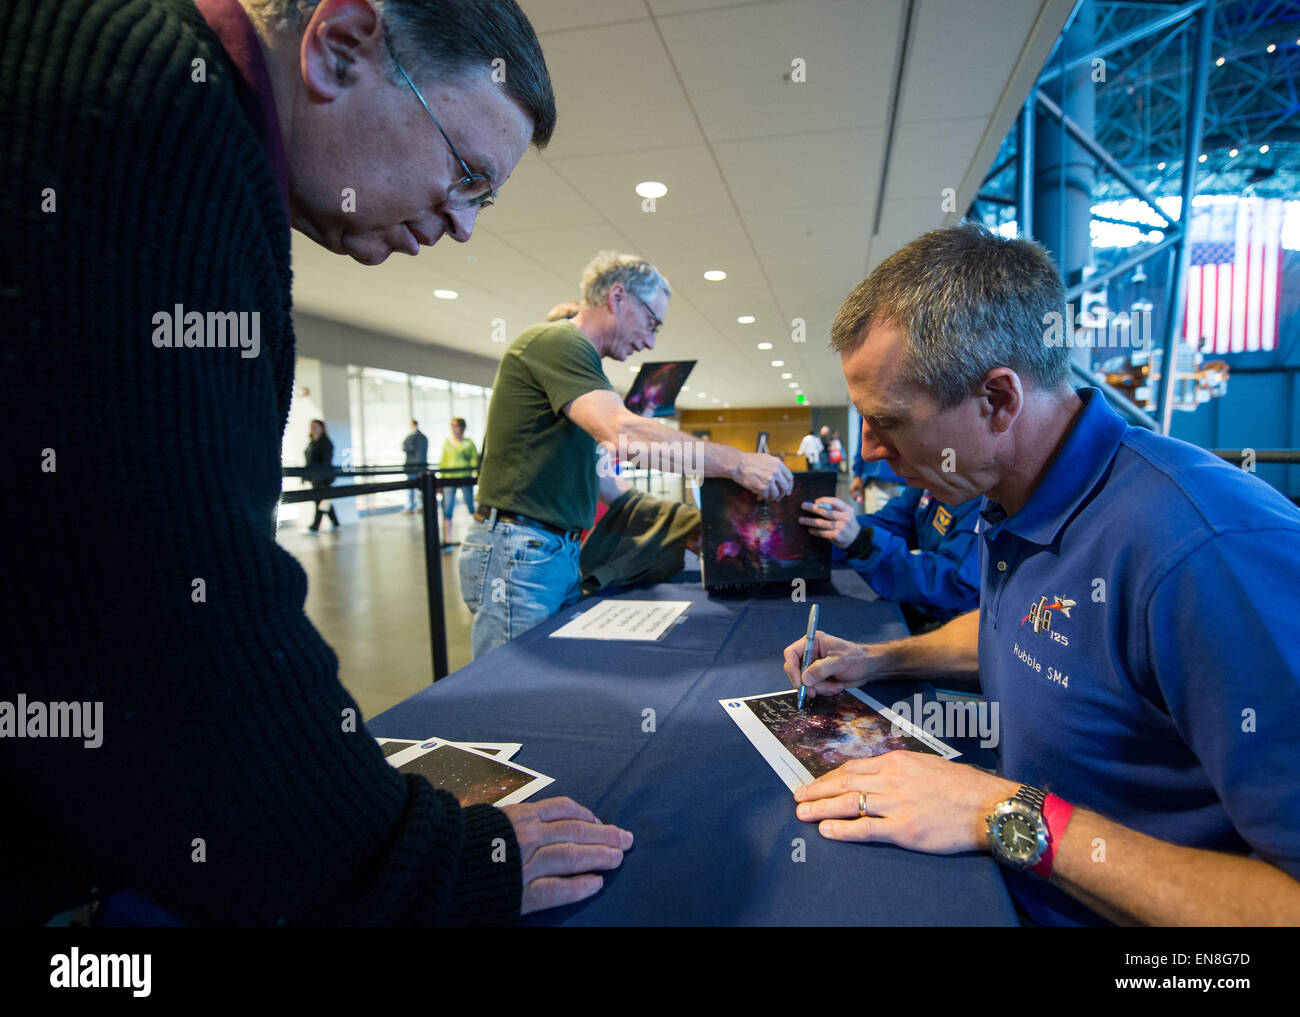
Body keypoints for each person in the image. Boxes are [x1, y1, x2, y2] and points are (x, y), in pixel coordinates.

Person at [4, 0, 632, 925]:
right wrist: (408, 863)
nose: (463, 226)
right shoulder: (148, 106)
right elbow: (164, 596)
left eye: (484, 199)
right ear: (341, 49)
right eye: (465, 173)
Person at [784, 223, 1300, 926]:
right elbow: (1038, 624)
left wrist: (1004, 812)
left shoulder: (1207, 551)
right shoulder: (1012, 495)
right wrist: (881, 658)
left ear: (997, 400)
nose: (870, 452)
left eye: (889, 423)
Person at [461, 249, 793, 658]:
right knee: (508, 690)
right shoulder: (557, 340)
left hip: (549, 552)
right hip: (521, 550)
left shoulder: (584, 373)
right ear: (617, 297)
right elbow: (624, 434)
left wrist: (687, 524)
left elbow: (606, 485)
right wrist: (738, 461)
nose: (651, 339)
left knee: (539, 684)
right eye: (652, 322)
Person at [798, 486, 980, 629]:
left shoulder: (981, 502)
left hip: (957, 626)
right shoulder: (930, 482)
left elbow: (952, 584)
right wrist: (819, 530)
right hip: (922, 608)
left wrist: (862, 544)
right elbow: (892, 522)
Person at [439, 417, 478, 546]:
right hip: (449, 479)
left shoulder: (468, 443)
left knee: (471, 507)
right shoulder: (447, 443)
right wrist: (440, 481)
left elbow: (474, 460)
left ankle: (478, 535)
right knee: (447, 509)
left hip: (465, 478)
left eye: (456, 426)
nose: (454, 429)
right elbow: (443, 462)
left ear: (462, 428)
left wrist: (477, 477)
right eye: (452, 426)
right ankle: (447, 539)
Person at [304, 419, 340, 532]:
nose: (313, 428)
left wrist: (322, 476)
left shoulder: (326, 443)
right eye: (311, 426)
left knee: (320, 500)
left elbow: (326, 462)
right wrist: (305, 476)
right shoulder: (311, 443)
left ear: (322, 428)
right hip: (314, 477)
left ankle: (315, 526)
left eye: (315, 426)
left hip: (323, 478)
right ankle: (335, 523)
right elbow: (308, 461)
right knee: (323, 500)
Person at [401, 419, 428, 514]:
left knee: (410, 488)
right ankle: (420, 506)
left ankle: (410, 507)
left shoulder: (410, 437)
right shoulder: (424, 437)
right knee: (419, 488)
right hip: (421, 466)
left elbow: (404, 447)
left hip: (412, 467)